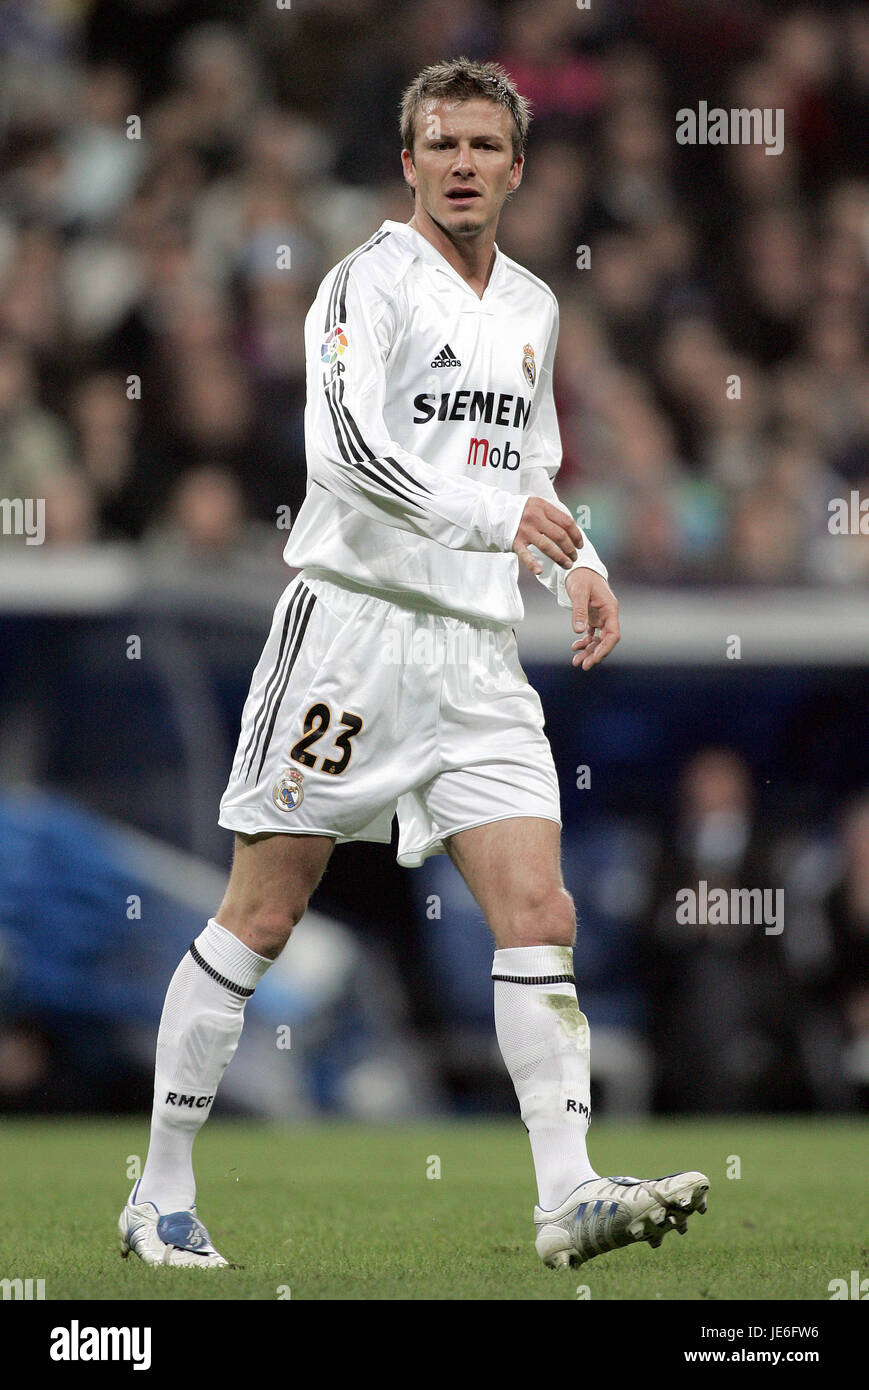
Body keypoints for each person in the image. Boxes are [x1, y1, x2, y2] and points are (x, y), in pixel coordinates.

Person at [119, 58, 707, 1274]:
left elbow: (529, 471)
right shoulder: (362, 284)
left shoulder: (537, 308)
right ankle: (159, 1193)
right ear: (406, 160)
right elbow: (341, 453)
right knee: (264, 913)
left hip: (477, 652)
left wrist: (576, 561)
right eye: (440, 144)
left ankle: (566, 1193)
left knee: (539, 909)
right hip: (353, 629)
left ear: (516, 166)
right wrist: (493, 526)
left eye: (484, 147)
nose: (460, 165)